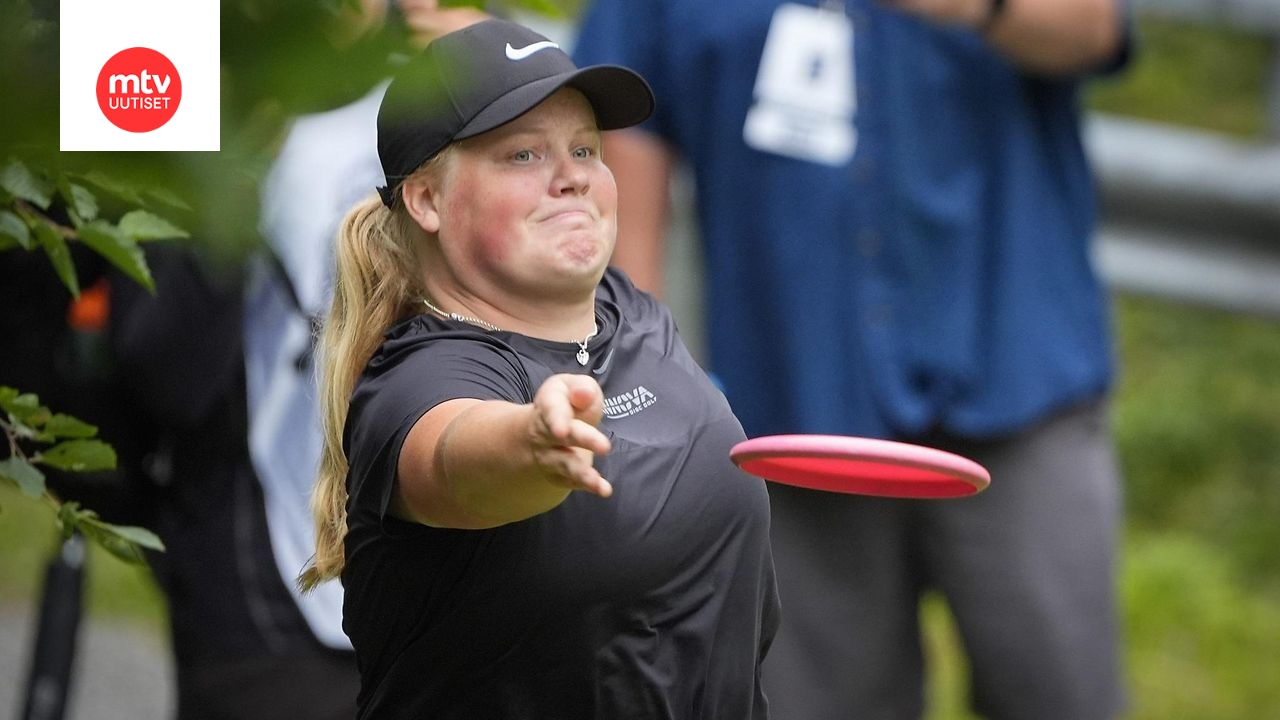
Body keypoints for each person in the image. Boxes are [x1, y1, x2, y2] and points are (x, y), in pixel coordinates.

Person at [572, 1, 1132, 719]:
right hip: (792, 401)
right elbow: (628, 131)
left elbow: (1099, 32)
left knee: (1060, 696)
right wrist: (634, 377)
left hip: (1018, 381)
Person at [297, 18, 780, 720]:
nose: (573, 176)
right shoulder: (418, 379)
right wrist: (531, 444)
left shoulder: (629, 309)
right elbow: (458, 458)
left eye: (585, 148)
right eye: (524, 156)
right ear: (427, 199)